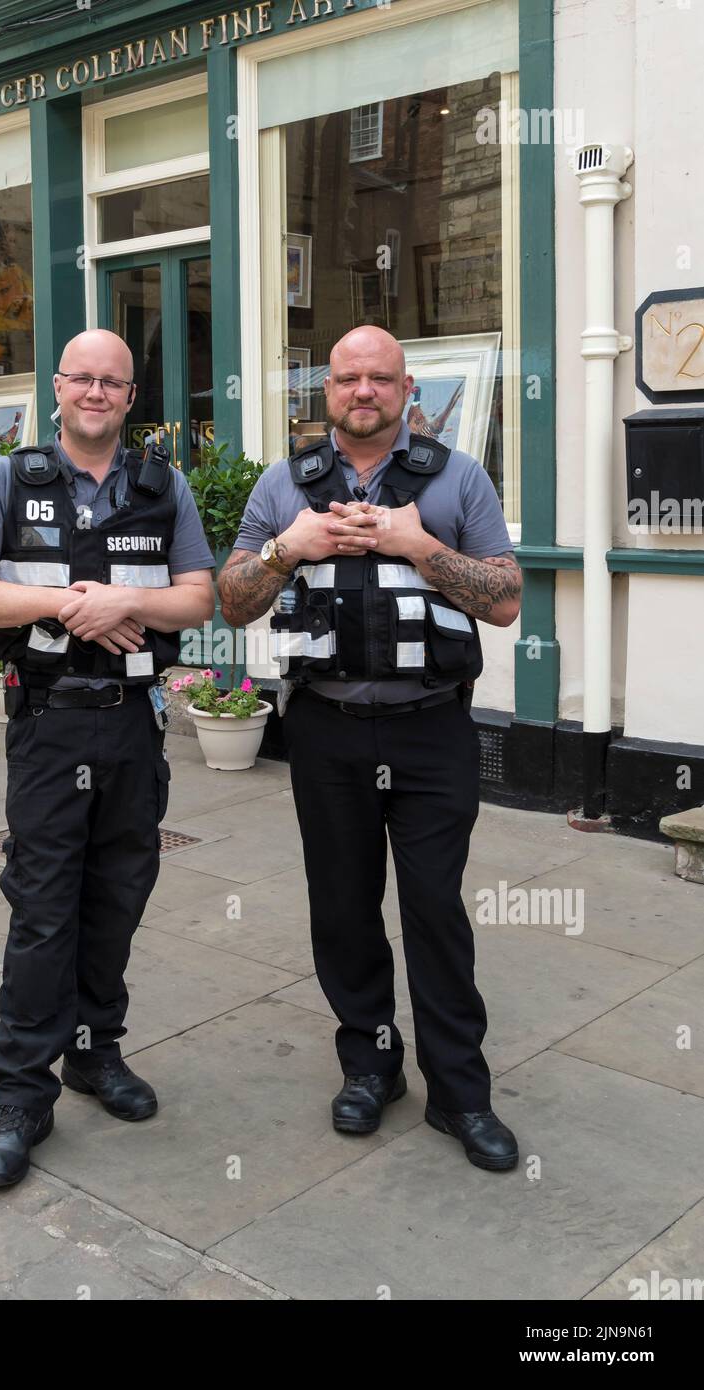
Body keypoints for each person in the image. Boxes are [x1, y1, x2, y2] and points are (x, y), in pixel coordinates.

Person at [218, 326, 523, 1171]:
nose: (363, 392)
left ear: (405, 390)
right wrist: (291, 547)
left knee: (434, 912)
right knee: (343, 910)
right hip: (324, 730)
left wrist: (417, 545)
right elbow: (232, 602)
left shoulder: (456, 476)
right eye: (347, 378)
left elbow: (504, 601)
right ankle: (369, 1065)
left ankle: (460, 1096)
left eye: (379, 379)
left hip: (431, 729)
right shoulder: (286, 485)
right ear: (328, 392)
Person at [0, 329, 215, 1188]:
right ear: (57, 390)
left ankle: (94, 1054)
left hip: (133, 726)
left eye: (113, 382)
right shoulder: (7, 481)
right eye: (82, 379)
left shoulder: (163, 487)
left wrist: (129, 601)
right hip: (51, 729)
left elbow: (199, 595)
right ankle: (20, 1095)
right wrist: (67, 605)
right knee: (44, 909)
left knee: (117, 899)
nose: (97, 393)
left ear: (132, 399)